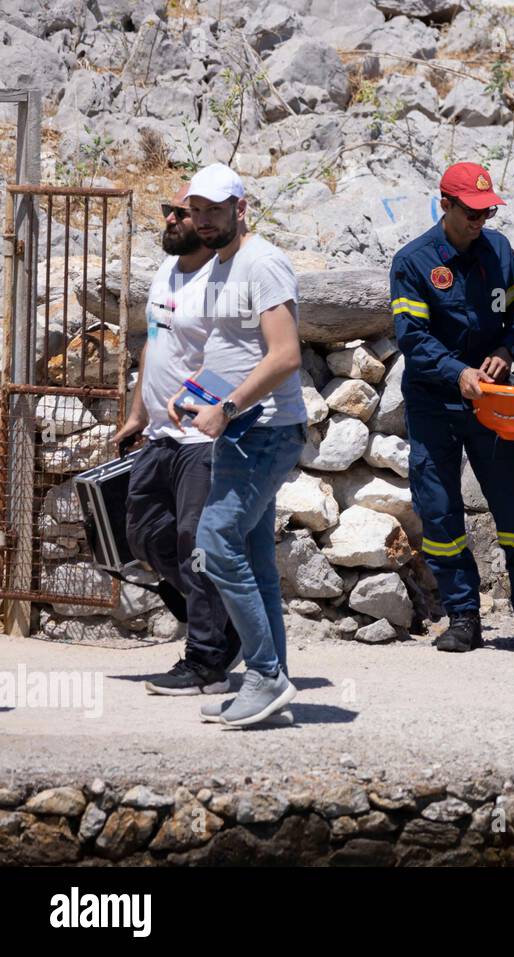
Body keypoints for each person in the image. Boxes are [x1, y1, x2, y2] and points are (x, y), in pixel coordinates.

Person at [389, 161, 514, 653]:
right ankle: (463, 618)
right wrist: (456, 372)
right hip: (435, 400)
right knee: (439, 516)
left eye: (487, 211)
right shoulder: (413, 262)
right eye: (472, 212)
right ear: (446, 205)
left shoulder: (498, 250)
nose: (481, 220)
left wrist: (505, 352)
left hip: (494, 403)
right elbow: (412, 338)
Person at [168, 163, 307, 727]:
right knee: (253, 561)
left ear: (241, 208)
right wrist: (195, 391)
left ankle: (265, 675)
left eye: (214, 211)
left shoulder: (263, 263)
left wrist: (225, 409)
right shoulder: (221, 267)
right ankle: (268, 684)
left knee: (215, 543)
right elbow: (231, 352)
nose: (202, 221)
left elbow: (285, 356)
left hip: (264, 431)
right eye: (195, 211)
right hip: (242, 429)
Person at [114, 187, 241, 695]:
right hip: (161, 433)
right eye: (168, 210)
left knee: (196, 540)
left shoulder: (223, 280)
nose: (168, 218)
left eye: (180, 213)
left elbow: (235, 356)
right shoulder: (166, 271)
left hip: (202, 435)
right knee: (142, 533)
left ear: (205, 222)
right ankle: (224, 626)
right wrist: (136, 412)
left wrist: (200, 401)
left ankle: (206, 658)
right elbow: (153, 343)